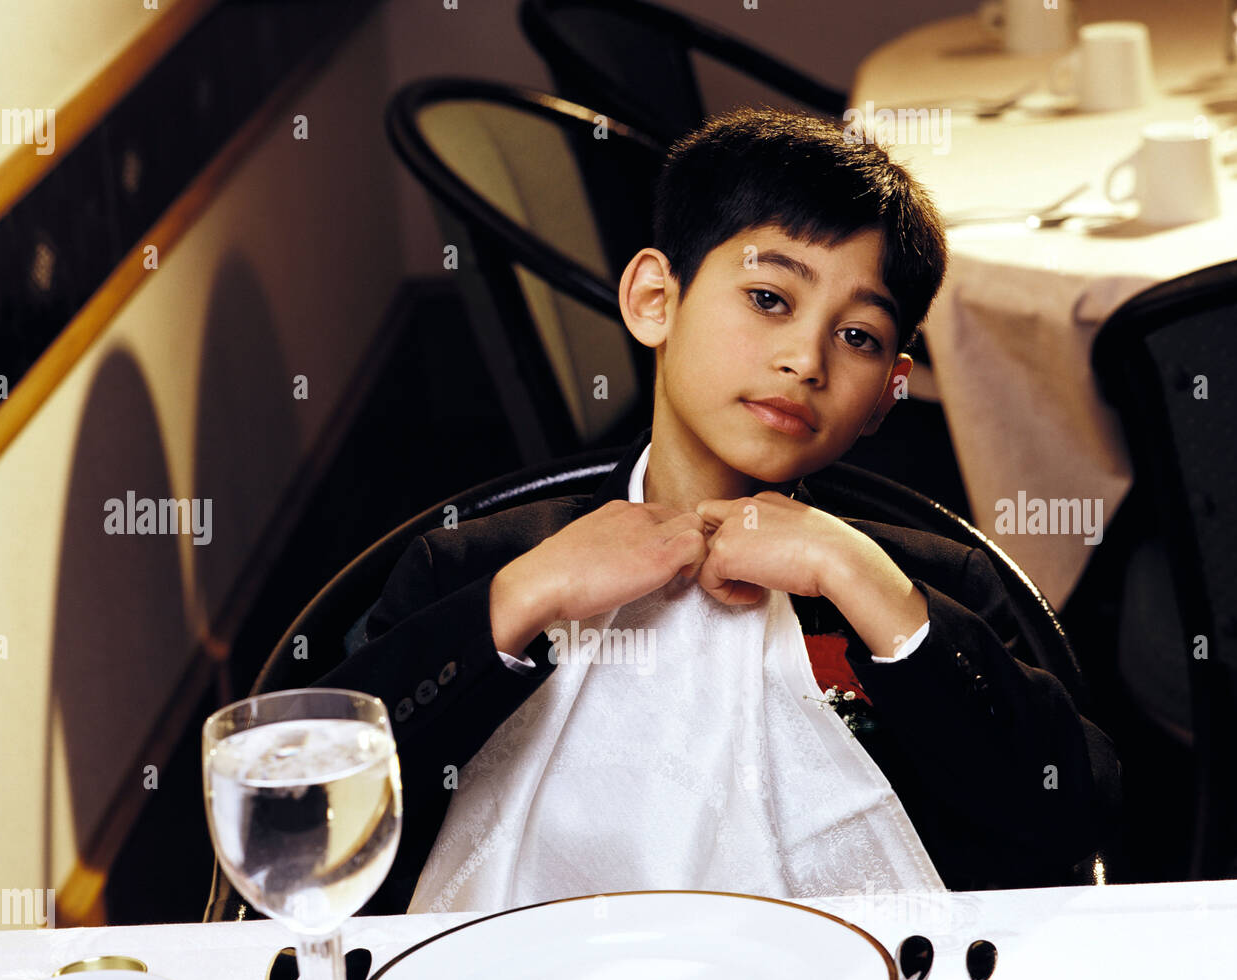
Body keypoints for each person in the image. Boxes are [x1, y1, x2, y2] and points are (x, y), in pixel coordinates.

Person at [318, 108, 1120, 914]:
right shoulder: (474, 566)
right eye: (768, 298)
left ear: (888, 393)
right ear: (654, 300)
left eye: (858, 336)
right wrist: (522, 600)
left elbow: (1065, 825)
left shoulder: (921, 584)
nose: (804, 360)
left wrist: (858, 579)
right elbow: (320, 821)